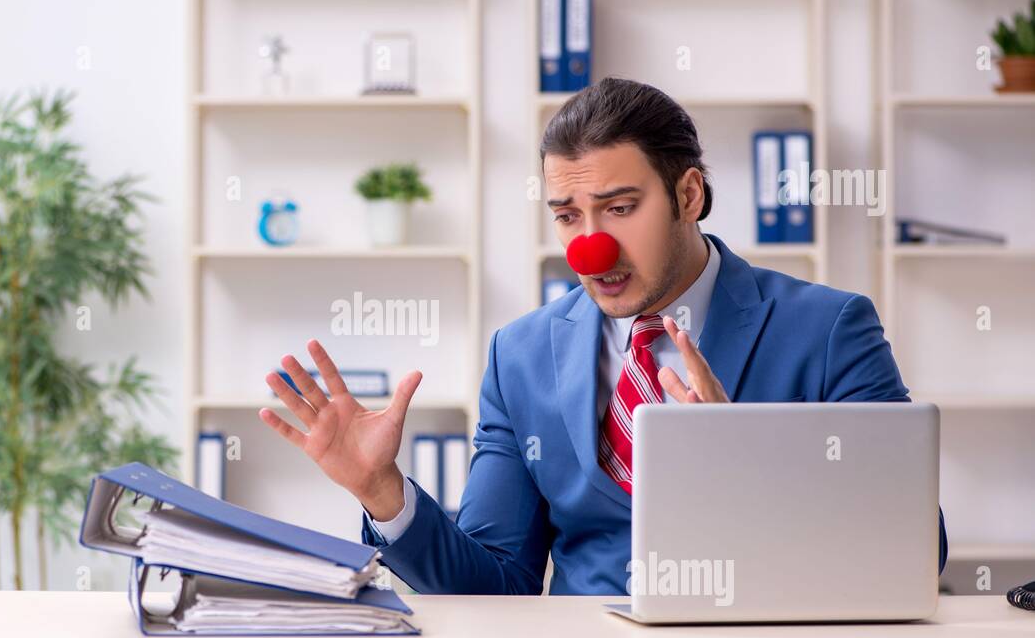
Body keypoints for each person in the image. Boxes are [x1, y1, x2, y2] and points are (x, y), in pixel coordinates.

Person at [258, 77, 948, 595]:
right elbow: (499, 586)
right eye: (567, 215)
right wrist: (384, 492)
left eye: (620, 208)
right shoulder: (521, 356)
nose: (589, 246)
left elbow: (915, 549)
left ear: (689, 195)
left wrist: (746, 466)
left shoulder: (829, 328)